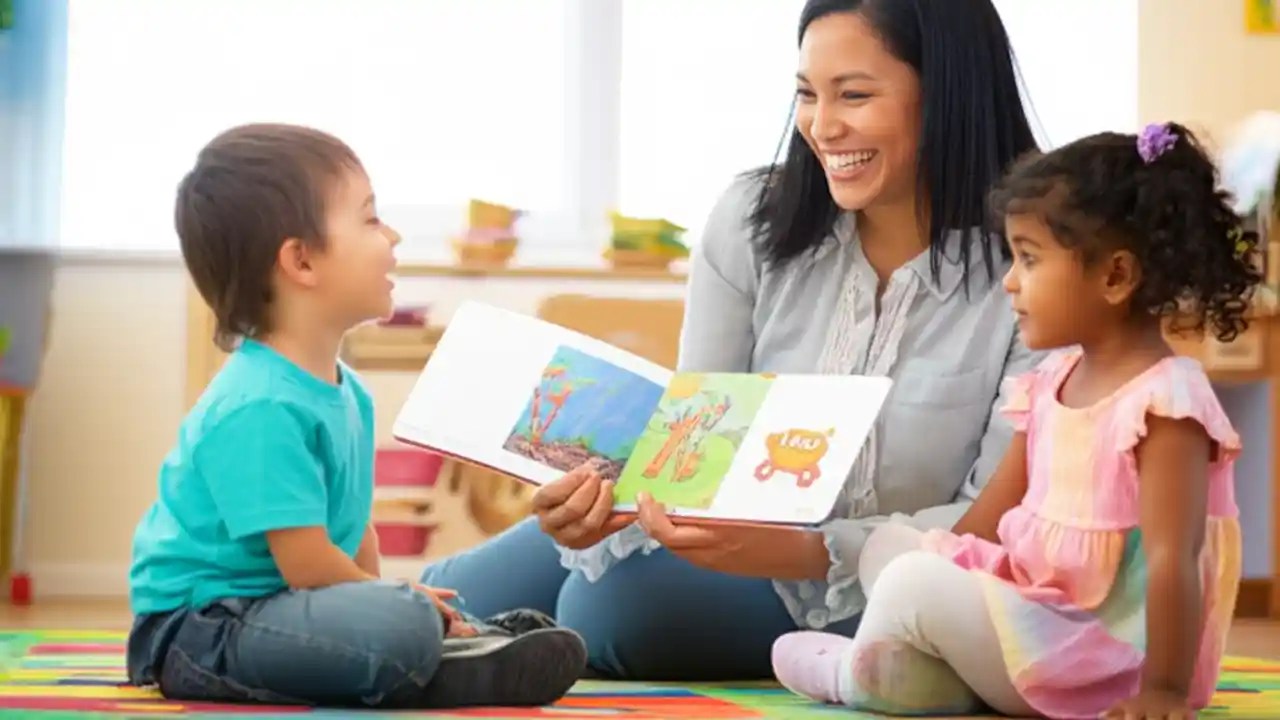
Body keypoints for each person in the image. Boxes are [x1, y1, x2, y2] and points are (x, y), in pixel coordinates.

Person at [421, 0, 1044, 681]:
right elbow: (694, 442)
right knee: (432, 600)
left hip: (887, 579)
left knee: (608, 608)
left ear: (949, 93)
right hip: (719, 538)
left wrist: (800, 552)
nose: (823, 127)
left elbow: (992, 521)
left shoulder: (1036, 268)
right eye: (807, 94)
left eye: (854, 95)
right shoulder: (755, 220)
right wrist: (605, 504)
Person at [771, 122, 1256, 719]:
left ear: (1114, 277)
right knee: (892, 552)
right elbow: (985, 521)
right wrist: (931, 556)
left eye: (1028, 259)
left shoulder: (1165, 405)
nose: (1010, 282)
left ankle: (852, 672)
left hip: (1104, 665)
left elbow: (1174, 562)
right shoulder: (1052, 380)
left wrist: (1164, 691)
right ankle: (928, 681)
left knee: (910, 582)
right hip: (1035, 620)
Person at [125, 123, 586, 709]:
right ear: (301, 261)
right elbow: (305, 563)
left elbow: (353, 531)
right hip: (200, 630)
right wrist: (395, 601)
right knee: (402, 621)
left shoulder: (348, 393)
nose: (392, 236)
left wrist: (384, 595)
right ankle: (445, 659)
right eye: (370, 219)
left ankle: (444, 651)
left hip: (280, 606)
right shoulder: (259, 404)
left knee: (400, 615)